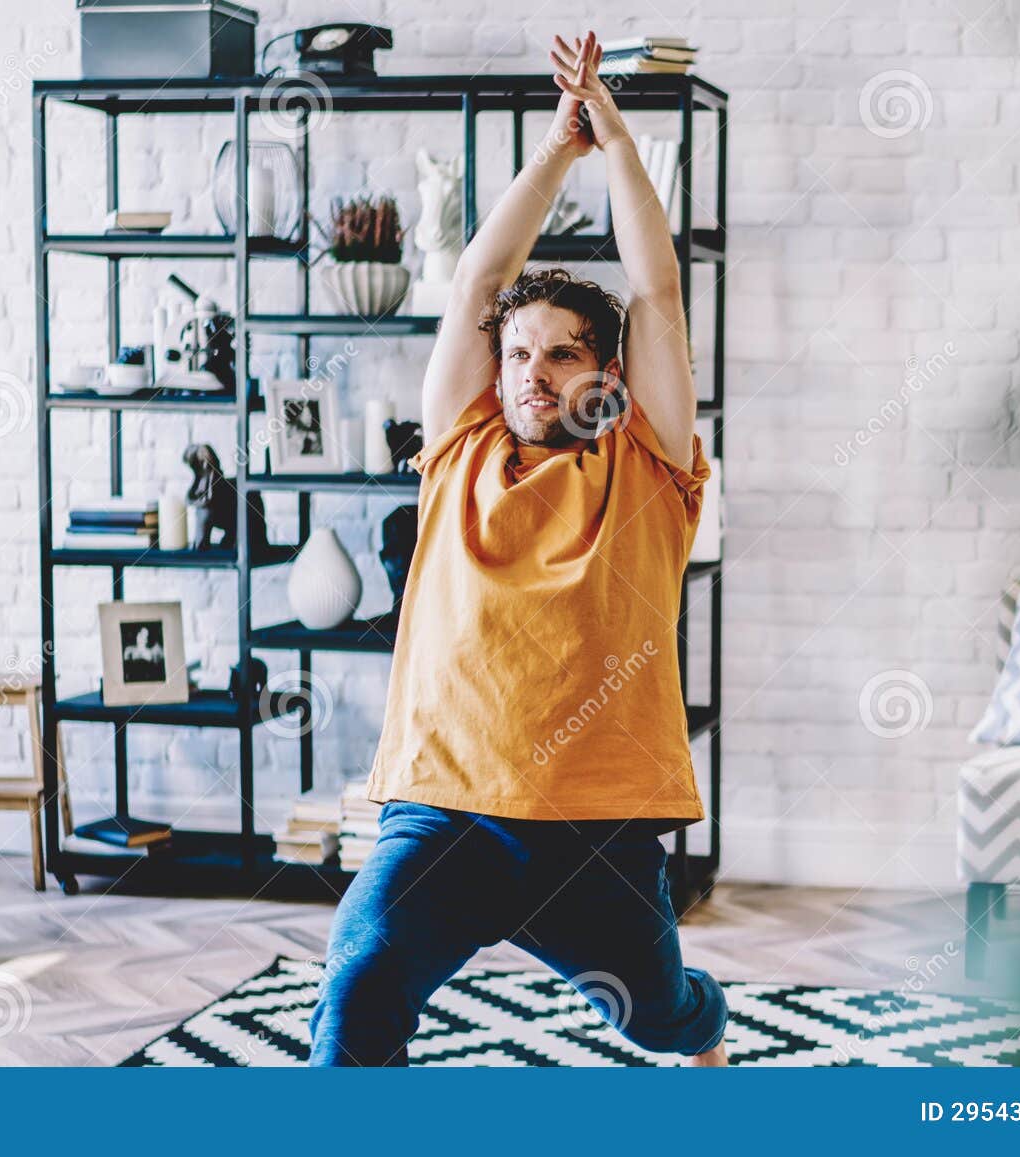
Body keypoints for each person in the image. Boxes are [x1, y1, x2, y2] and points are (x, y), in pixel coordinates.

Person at [307, 30, 729, 1067]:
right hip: (444, 809)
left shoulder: (645, 469)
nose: (534, 371)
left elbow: (661, 295)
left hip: (596, 827)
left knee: (657, 1012)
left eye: (564, 353)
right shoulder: (459, 447)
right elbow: (473, 282)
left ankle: (704, 1027)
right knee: (355, 1000)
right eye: (520, 352)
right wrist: (554, 152)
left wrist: (615, 141)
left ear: (610, 372)